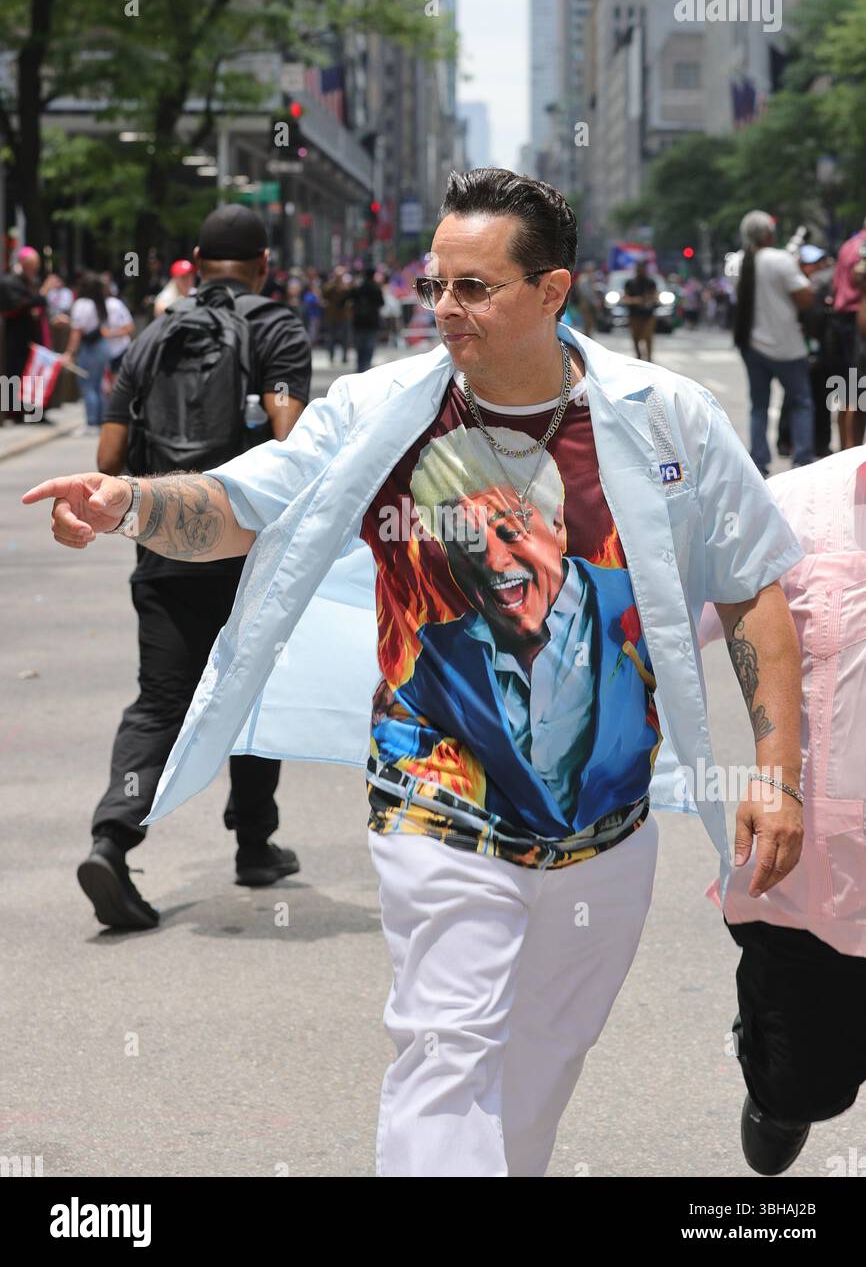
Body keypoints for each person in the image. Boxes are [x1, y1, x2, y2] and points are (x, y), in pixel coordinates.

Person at [23, 169, 807, 1176]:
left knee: (540, 1062)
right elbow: (242, 500)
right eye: (435, 283)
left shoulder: (664, 417)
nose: (444, 307)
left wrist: (776, 770)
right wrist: (126, 500)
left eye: (474, 287)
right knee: (446, 1052)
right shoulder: (382, 410)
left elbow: (751, 587)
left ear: (552, 292)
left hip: (604, 827)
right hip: (434, 800)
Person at [64, 206, 312, 931]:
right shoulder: (277, 328)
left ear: (197, 259)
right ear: (264, 264)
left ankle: (112, 839)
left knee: (160, 702)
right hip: (249, 551)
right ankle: (255, 844)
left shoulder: (150, 337)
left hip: (165, 545)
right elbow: (291, 441)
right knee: (255, 687)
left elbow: (108, 462)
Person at [698, 447, 866, 1175]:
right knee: (804, 1087)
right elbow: (659, 620)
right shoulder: (795, 505)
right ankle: (777, 1087)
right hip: (813, 883)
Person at [733, 211, 815, 478]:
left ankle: (759, 461)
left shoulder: (737, 262)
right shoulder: (780, 260)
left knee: (759, 406)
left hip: (752, 345)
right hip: (786, 345)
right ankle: (801, 459)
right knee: (801, 402)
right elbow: (805, 298)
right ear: (769, 234)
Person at [777, 245, 836, 461]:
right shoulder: (795, 287)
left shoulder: (823, 285)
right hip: (795, 348)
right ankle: (787, 441)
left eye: (820, 262)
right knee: (795, 396)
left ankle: (821, 443)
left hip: (820, 349)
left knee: (821, 396)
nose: (817, 267)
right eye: (812, 263)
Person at [61, 274, 135, 428]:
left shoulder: (81, 304)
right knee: (99, 385)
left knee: (88, 386)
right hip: (103, 346)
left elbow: (77, 331)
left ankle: (92, 422)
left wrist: (69, 353)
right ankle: (103, 419)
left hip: (90, 347)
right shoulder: (100, 303)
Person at [829, 217, 866, 450]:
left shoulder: (848, 245)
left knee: (849, 394)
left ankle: (847, 452)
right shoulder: (862, 248)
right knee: (857, 397)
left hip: (844, 323)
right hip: (857, 326)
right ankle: (852, 455)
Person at [0, 246, 48, 422]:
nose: (34, 269)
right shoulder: (9, 281)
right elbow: (14, 305)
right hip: (14, 336)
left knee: (34, 373)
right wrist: (39, 297)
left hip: (32, 334)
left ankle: (34, 412)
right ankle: (13, 413)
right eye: (31, 265)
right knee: (13, 372)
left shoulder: (32, 281)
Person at [347, 266, 384, 372]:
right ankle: (366, 366)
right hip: (371, 321)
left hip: (358, 321)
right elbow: (381, 303)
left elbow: (348, 297)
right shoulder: (375, 288)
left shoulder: (359, 288)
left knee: (359, 346)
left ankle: (360, 366)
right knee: (369, 345)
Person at [622, 259, 659, 361]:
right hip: (634, 315)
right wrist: (636, 300)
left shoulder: (650, 282)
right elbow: (625, 298)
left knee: (648, 337)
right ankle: (638, 356)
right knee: (636, 337)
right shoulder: (630, 283)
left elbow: (656, 297)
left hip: (648, 315)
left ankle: (649, 358)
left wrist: (648, 299)